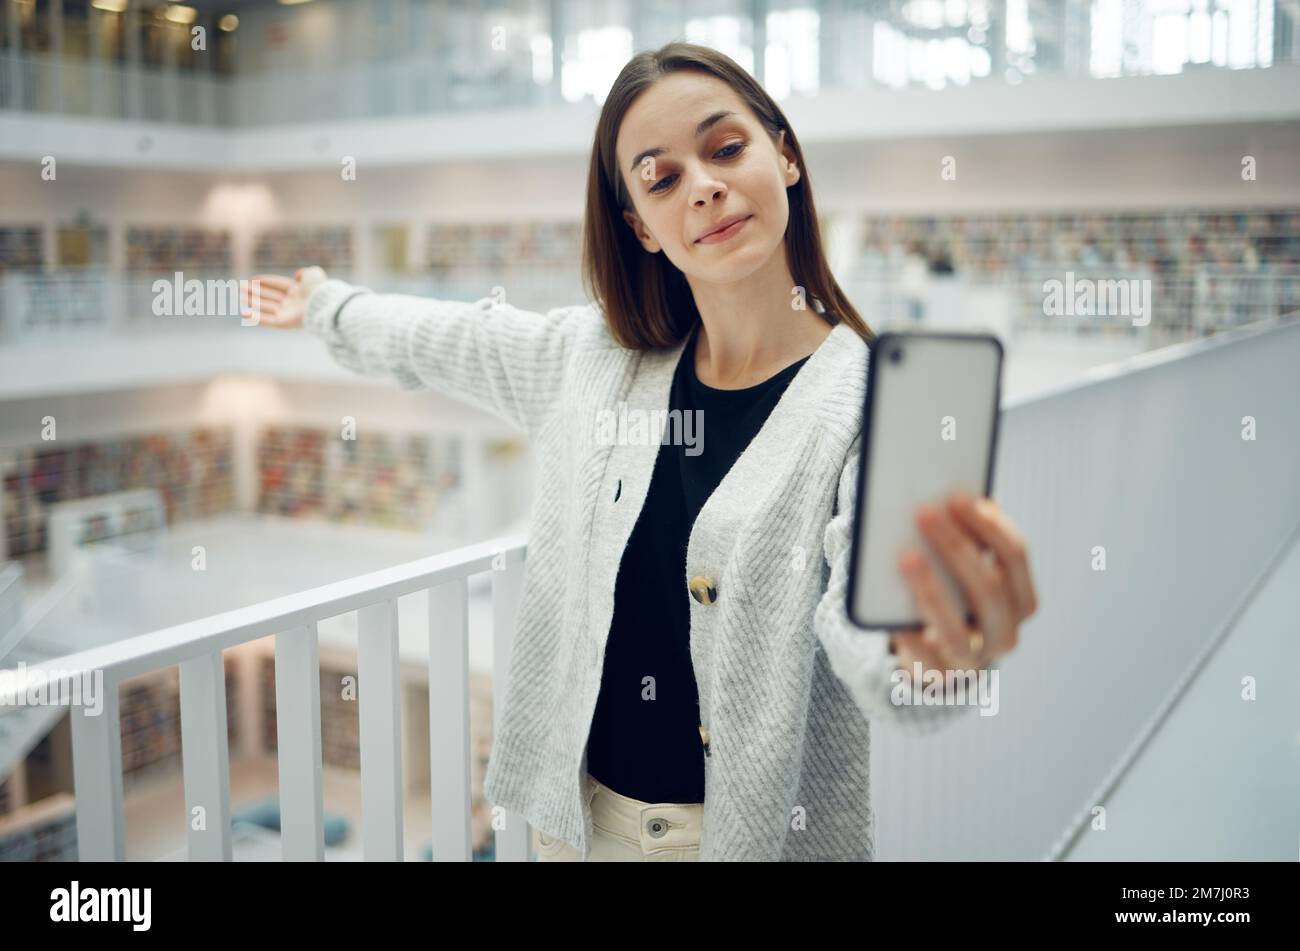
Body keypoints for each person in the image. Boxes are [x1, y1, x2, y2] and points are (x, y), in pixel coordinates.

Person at [243, 42, 1038, 862]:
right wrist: (324, 305)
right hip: (575, 827)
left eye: (726, 148)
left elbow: (876, 641)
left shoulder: (863, 402)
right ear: (642, 229)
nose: (703, 185)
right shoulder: (594, 362)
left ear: (786, 156)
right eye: (661, 178)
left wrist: (934, 659)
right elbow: (446, 337)